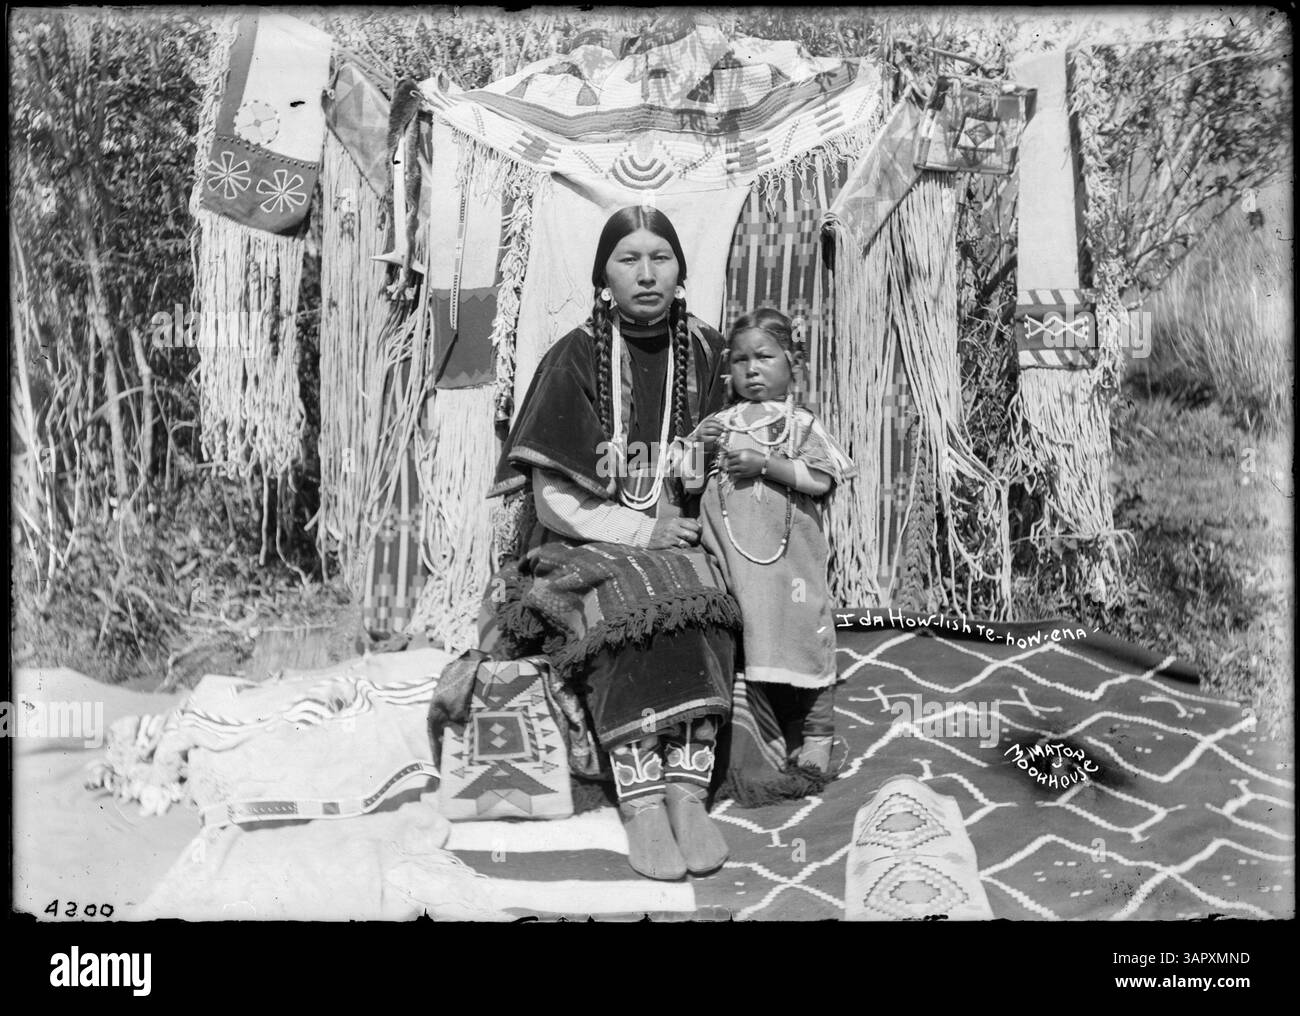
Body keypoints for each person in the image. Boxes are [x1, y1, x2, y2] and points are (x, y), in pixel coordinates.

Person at [486, 205, 736, 881]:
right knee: (631, 599)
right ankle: (643, 797)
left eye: (661, 257)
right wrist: (640, 531)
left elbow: (730, 465)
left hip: (678, 538)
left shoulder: (711, 355)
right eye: (629, 259)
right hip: (580, 545)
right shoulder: (572, 358)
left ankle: (688, 791)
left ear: (681, 271)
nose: (646, 273)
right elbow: (552, 499)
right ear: (603, 276)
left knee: (703, 594)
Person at [677, 308, 855, 772]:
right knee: (745, 638)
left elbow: (821, 479)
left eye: (764, 357)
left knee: (801, 633)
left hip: (788, 563)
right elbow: (690, 484)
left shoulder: (800, 424)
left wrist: (765, 465)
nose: (751, 369)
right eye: (739, 361)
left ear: (791, 363)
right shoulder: (720, 423)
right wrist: (698, 447)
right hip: (729, 559)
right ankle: (758, 736)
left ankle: (817, 733)